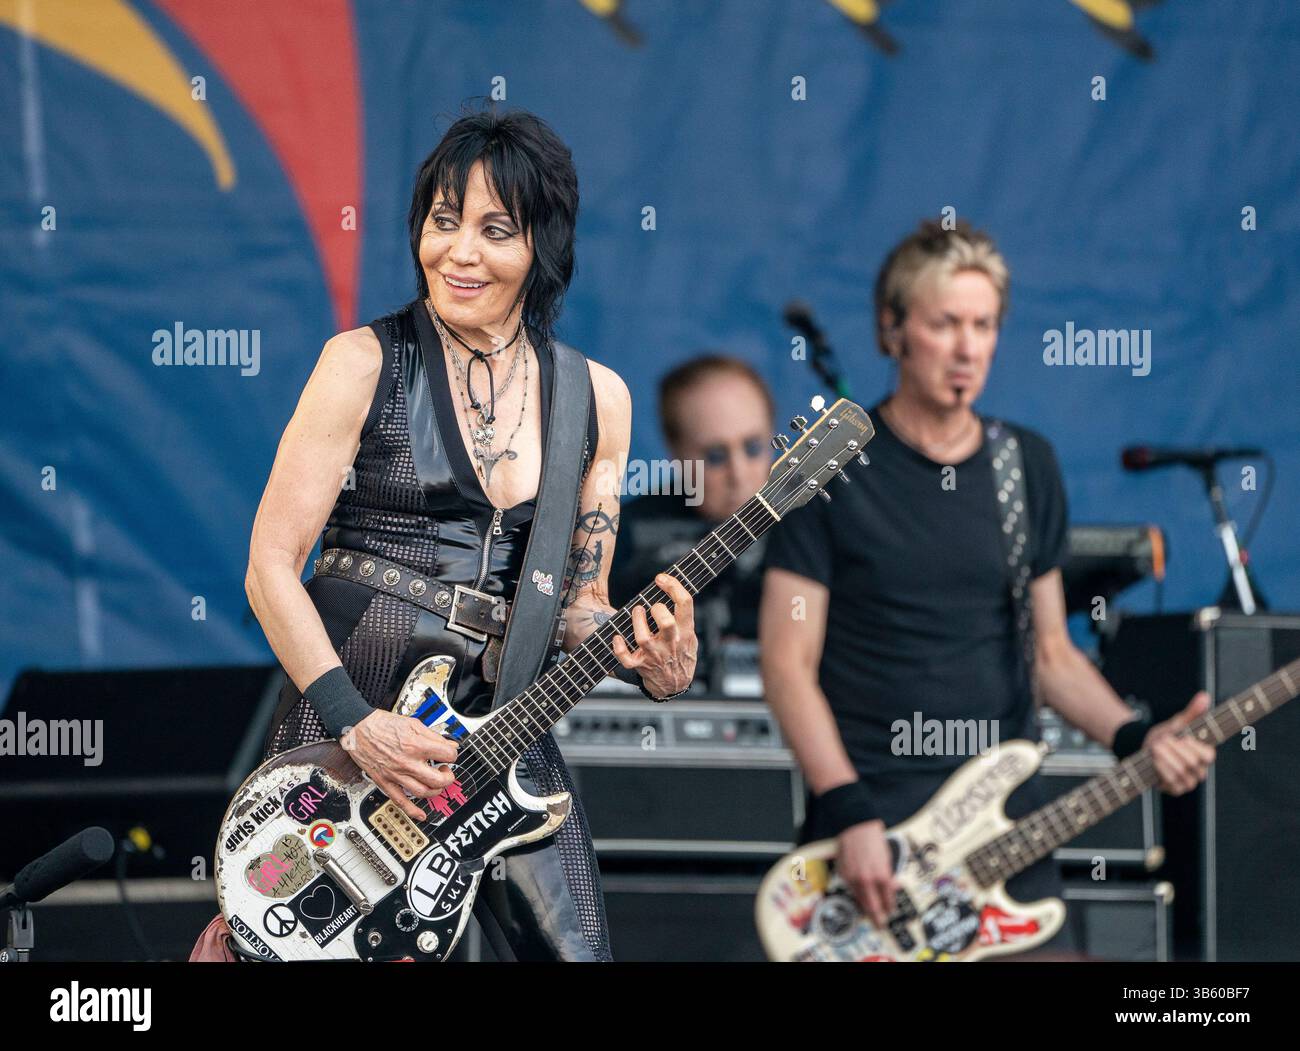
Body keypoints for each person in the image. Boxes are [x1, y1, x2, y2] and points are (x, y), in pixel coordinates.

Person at [237, 108, 698, 961]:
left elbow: (578, 608)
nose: (459, 252)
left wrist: (652, 659)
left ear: (543, 248)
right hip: (355, 714)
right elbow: (269, 567)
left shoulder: (598, 399)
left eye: (495, 230)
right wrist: (356, 724)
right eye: (444, 223)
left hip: (506, 729)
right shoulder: (361, 362)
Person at [758, 219, 1214, 956]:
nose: (968, 347)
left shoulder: (1024, 464)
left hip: (1004, 825)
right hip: (875, 825)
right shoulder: (830, 467)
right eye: (945, 323)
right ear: (892, 329)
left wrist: (1135, 738)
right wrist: (847, 809)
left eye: (984, 324)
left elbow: (1053, 655)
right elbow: (786, 663)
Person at [610, 356, 775, 657]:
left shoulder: (814, 523)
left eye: (753, 448)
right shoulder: (626, 533)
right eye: (715, 456)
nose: (738, 473)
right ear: (676, 452)